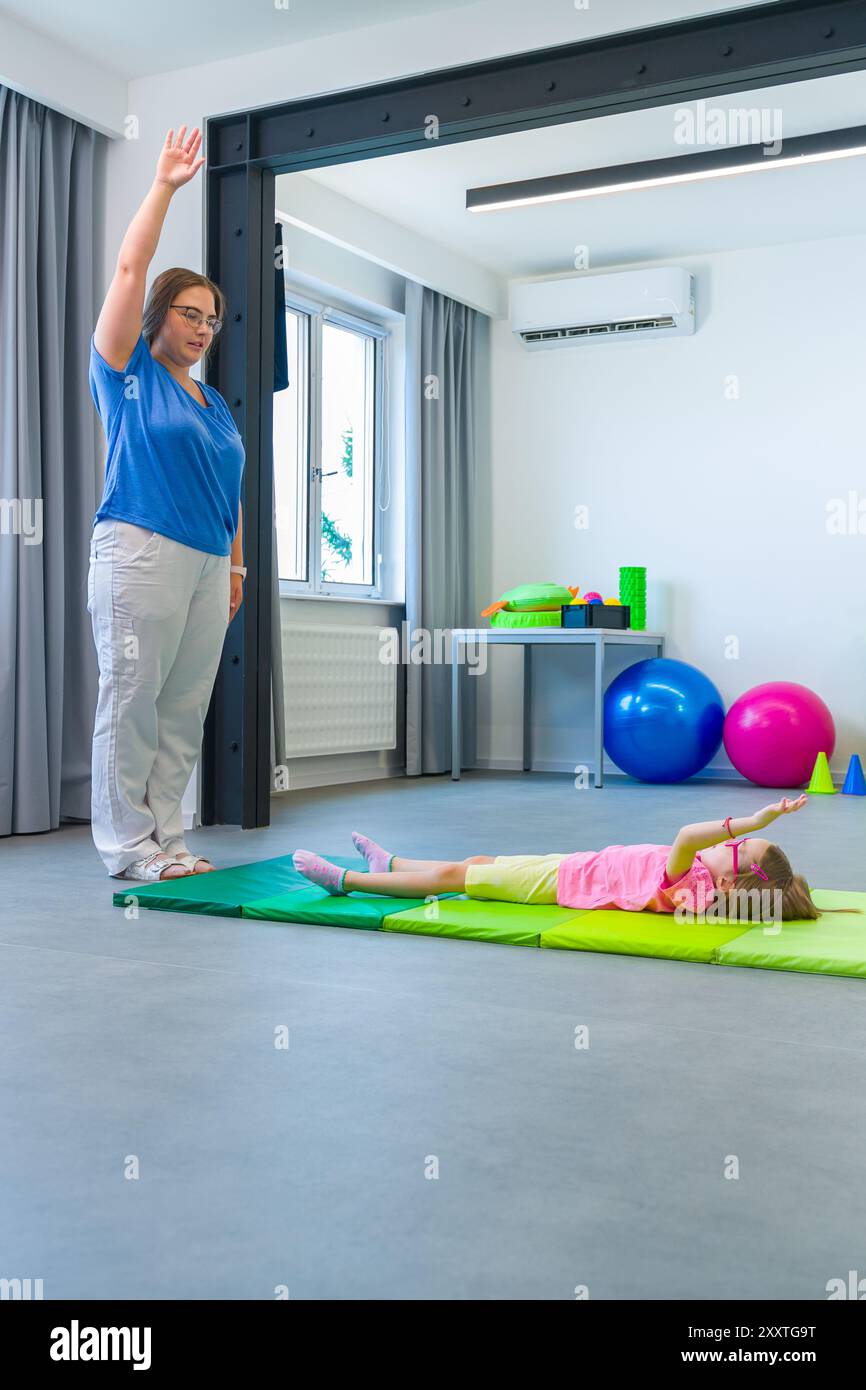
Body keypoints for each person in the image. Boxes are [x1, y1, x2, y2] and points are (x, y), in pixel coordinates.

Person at [87, 125, 246, 882]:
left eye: (211, 318)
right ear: (158, 314)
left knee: (183, 711)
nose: (203, 327)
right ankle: (126, 848)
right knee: (133, 699)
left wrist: (236, 569)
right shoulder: (125, 374)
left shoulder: (212, 401)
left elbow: (231, 486)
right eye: (190, 312)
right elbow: (127, 266)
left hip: (208, 563)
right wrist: (166, 186)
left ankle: (167, 840)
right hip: (139, 547)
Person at [292, 796, 858, 924]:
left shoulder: (692, 883)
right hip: (572, 866)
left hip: (560, 881)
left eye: (735, 849)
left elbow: (688, 831)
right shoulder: (704, 887)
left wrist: (752, 822)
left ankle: (348, 881)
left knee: (456, 878)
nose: (726, 842)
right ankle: (394, 862)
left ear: (733, 876)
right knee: (479, 859)